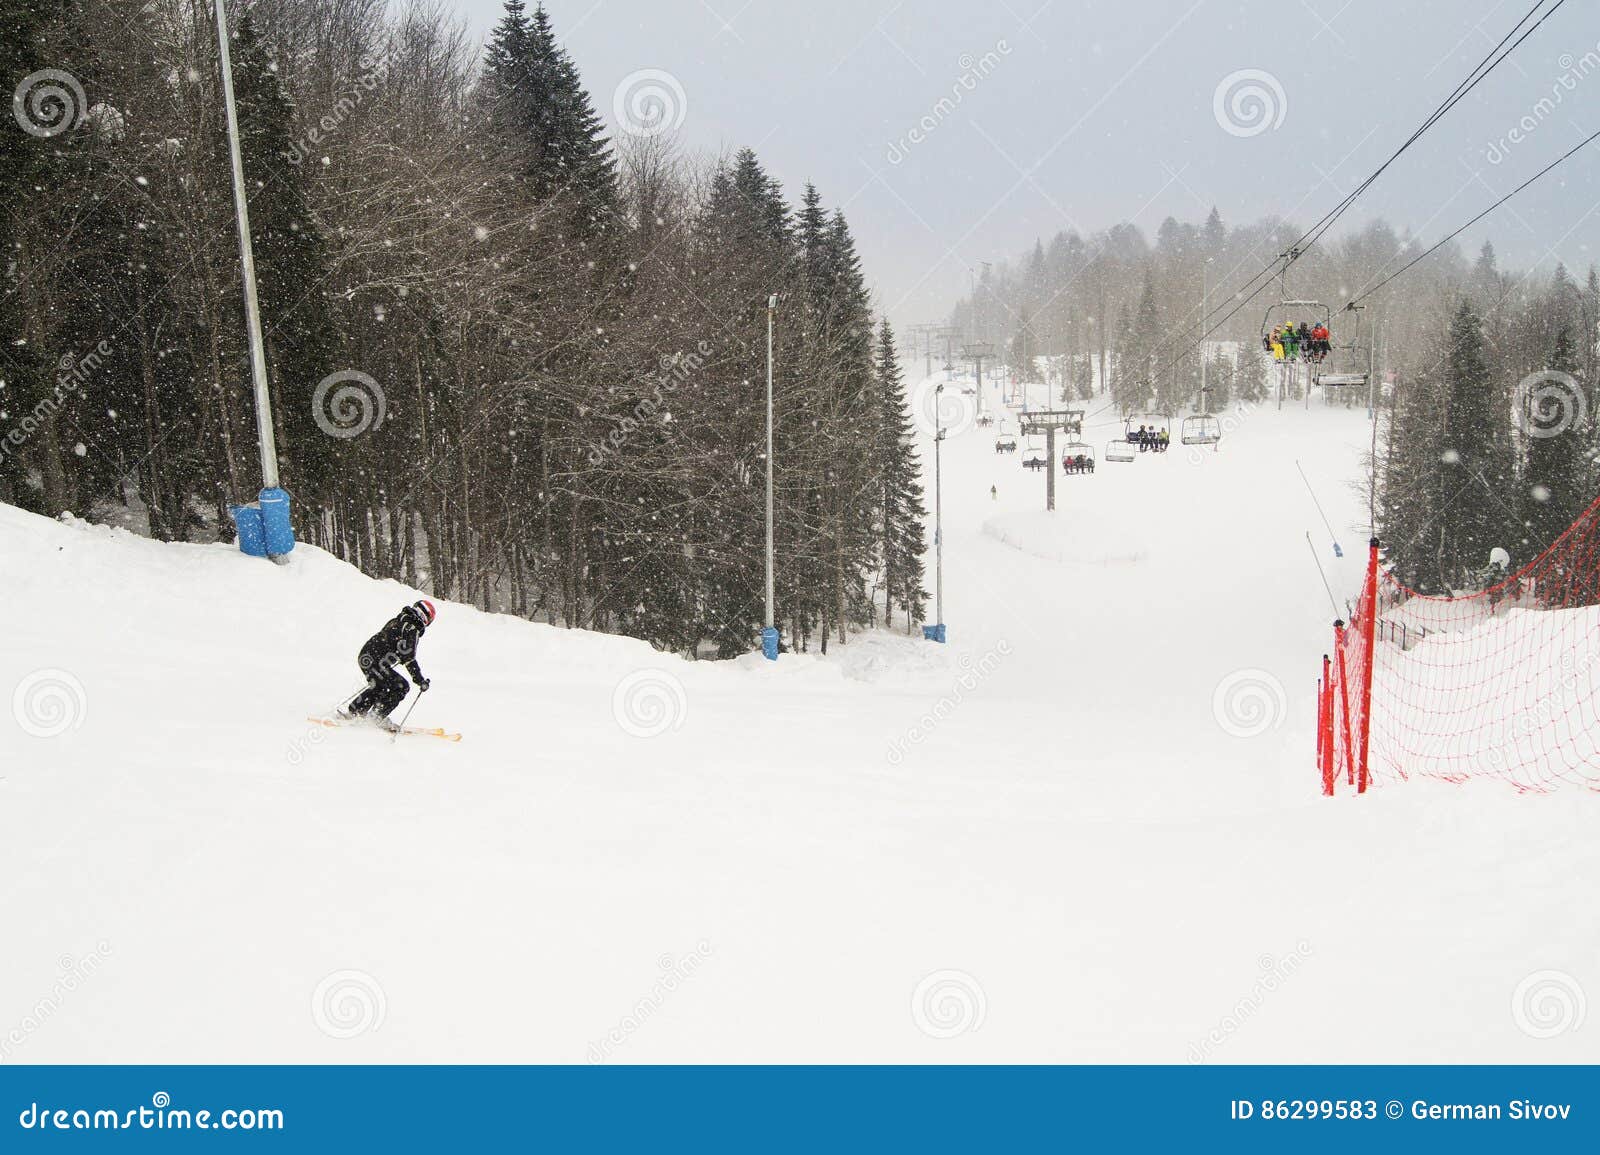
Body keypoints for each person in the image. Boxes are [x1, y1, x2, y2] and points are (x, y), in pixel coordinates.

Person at [346, 599, 436, 727]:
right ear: (425, 618)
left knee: (380, 685)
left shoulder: (400, 619)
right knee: (401, 686)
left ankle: (356, 711)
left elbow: (389, 640)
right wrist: (420, 680)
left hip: (366, 656)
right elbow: (409, 658)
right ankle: (375, 718)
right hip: (378, 662)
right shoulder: (412, 629)